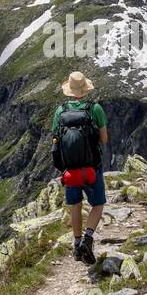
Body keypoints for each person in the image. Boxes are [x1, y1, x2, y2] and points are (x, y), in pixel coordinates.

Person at [51, 71, 108, 264]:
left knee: (75, 205)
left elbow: (55, 140)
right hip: (92, 167)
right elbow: (104, 139)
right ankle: (88, 238)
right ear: (85, 89)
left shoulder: (60, 111)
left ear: (70, 90)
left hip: (70, 170)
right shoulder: (96, 109)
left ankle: (77, 245)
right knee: (98, 204)